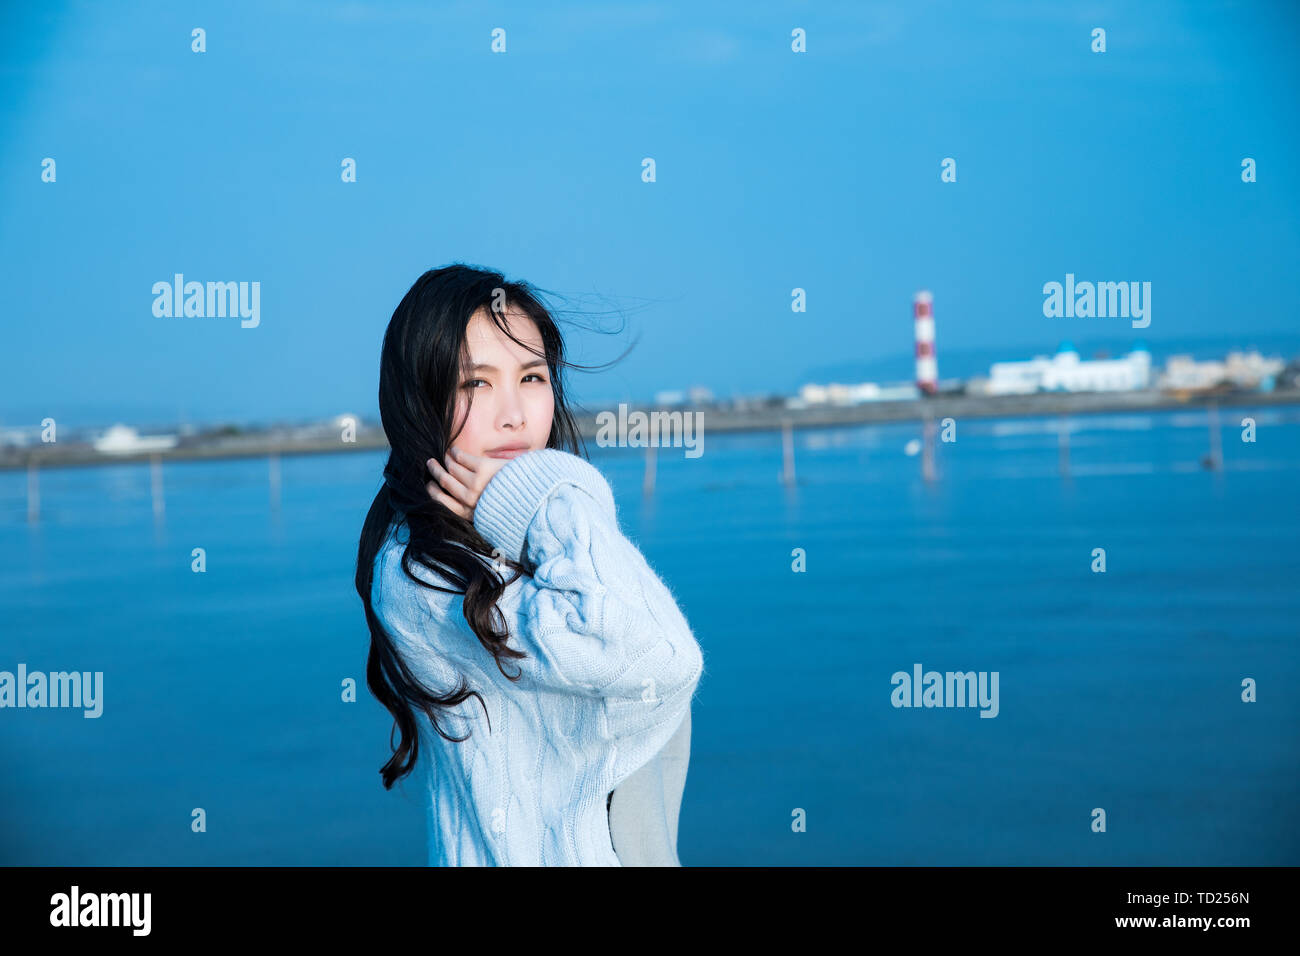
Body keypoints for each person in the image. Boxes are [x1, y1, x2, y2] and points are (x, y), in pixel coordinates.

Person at [354, 263, 705, 865]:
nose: (514, 413)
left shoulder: (520, 543)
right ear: (418, 402)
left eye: (533, 376)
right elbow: (662, 657)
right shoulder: (420, 574)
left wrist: (521, 513)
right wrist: (549, 495)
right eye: (475, 385)